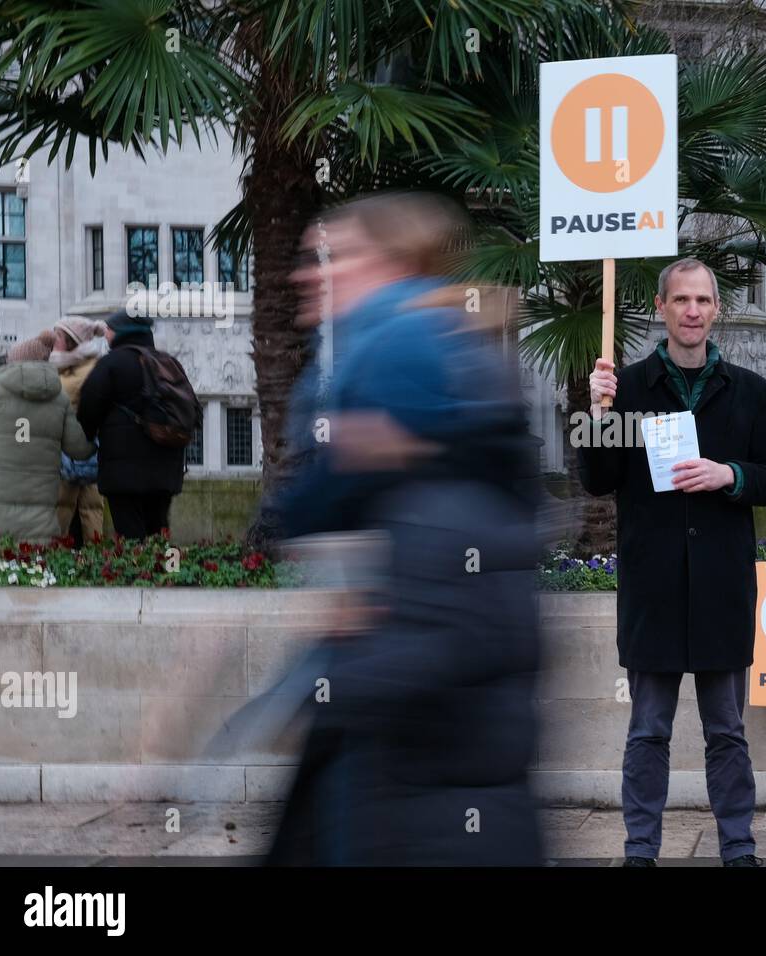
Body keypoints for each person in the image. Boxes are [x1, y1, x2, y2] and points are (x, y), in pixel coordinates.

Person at [266, 193, 544, 866]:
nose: (308, 274)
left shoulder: (399, 355)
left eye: (332, 257)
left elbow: (436, 651)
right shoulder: (447, 469)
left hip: (416, 805)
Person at [581, 257, 766, 867]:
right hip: (653, 589)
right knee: (648, 731)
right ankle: (640, 851)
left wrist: (729, 474)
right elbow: (598, 480)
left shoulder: (751, 391)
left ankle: (739, 850)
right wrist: (597, 418)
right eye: (681, 301)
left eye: (703, 300)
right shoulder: (626, 386)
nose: (692, 310)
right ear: (660, 307)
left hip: (722, 590)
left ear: (717, 309)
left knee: (727, 732)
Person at [76, 312, 186, 540]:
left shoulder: (111, 364)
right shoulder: (168, 362)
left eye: (108, 330)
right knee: (158, 531)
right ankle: (168, 573)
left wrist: (89, 436)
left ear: (120, 332)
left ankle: (135, 575)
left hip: (123, 472)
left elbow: (88, 409)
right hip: (166, 468)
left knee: (130, 537)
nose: (105, 335)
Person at [0, 333, 94, 543]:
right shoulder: (60, 399)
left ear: (13, 361)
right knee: (35, 554)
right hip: (42, 500)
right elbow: (79, 449)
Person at [51, 317, 109, 542]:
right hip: (85, 447)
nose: (54, 341)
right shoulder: (71, 364)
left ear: (71, 340)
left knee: (68, 504)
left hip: (74, 448)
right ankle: (91, 556)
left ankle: (55, 555)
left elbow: (62, 397)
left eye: (58, 336)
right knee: (90, 505)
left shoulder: (84, 368)